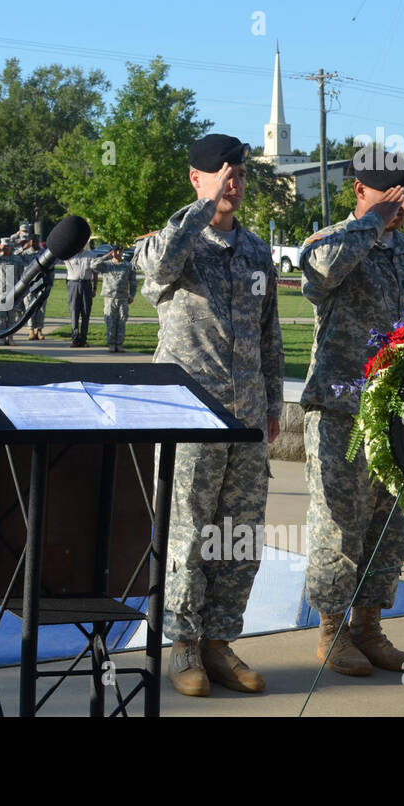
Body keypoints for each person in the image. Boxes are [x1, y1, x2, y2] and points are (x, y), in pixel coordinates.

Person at [133, 133, 283, 697]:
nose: (235, 184)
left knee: (239, 535)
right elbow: (156, 270)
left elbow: (270, 334)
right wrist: (202, 208)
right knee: (187, 535)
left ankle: (220, 643)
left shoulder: (256, 251)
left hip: (246, 417)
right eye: (223, 174)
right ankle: (184, 645)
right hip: (189, 414)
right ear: (195, 179)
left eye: (240, 174)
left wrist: (271, 403)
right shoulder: (175, 243)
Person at [300, 160, 404, 677]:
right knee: (340, 525)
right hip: (342, 410)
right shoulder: (330, 242)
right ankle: (332, 631)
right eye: (389, 192)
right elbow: (322, 276)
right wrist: (373, 221)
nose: (401, 202)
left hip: (400, 413)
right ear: (360, 189)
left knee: (389, 525)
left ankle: (369, 626)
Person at [90, 245, 137, 352]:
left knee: (122, 321)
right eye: (116, 251)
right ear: (113, 252)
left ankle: (119, 344)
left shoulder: (128, 266)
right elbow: (93, 265)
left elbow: (133, 282)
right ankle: (111, 344)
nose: (118, 253)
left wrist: (132, 295)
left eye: (120, 251)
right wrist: (107, 256)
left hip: (123, 298)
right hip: (109, 298)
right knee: (110, 321)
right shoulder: (106, 265)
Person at [15, 233, 48, 339]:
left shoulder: (44, 253)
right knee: (29, 307)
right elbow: (14, 255)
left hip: (41, 283)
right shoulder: (25, 254)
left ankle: (39, 330)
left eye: (36, 241)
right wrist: (21, 247)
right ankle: (31, 330)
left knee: (41, 308)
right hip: (29, 285)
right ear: (29, 242)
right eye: (32, 241)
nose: (34, 243)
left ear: (38, 241)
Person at [63, 245, 96, 347]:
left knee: (86, 313)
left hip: (86, 285)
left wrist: (95, 288)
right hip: (73, 285)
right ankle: (75, 339)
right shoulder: (69, 255)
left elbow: (95, 273)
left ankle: (83, 339)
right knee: (74, 312)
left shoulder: (91, 255)